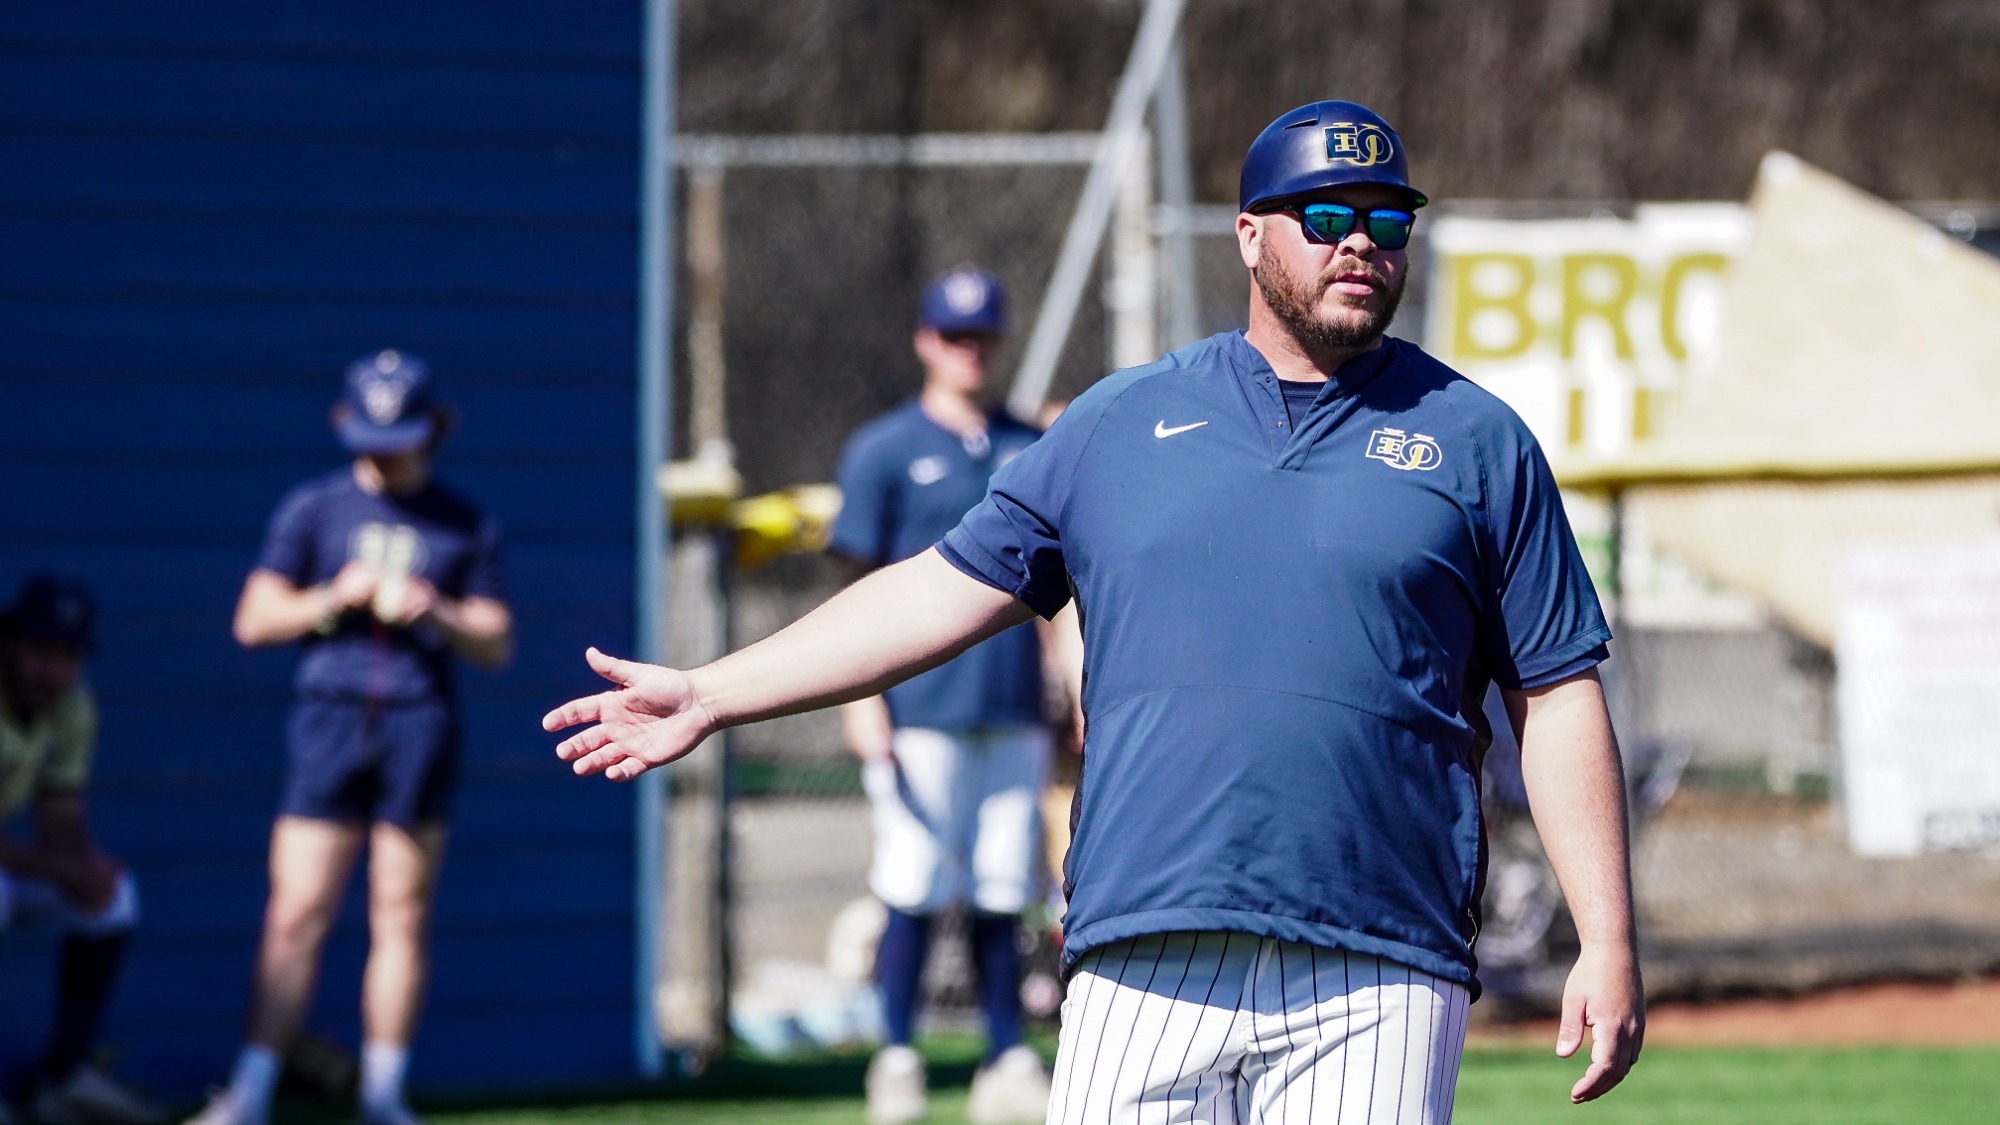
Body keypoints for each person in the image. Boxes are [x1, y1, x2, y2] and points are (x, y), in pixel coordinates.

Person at [546, 100, 1643, 1122]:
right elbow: (934, 591)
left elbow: (1554, 695)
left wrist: (1605, 936)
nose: (1359, 240)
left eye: (1384, 219)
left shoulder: (1476, 440)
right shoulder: (1120, 422)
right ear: (1250, 236)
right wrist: (709, 691)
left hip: (1379, 953)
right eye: (1324, 216)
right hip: (1143, 945)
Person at [190, 351, 511, 1125]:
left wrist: (435, 610)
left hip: (419, 725)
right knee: (296, 910)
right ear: (345, 424)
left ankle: (382, 1093)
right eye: (370, 435)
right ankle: (252, 1092)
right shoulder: (314, 509)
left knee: (400, 910)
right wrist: (334, 596)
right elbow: (254, 618)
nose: (383, 451)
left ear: (432, 429)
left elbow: (496, 642)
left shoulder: (467, 521)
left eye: (398, 436)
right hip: (329, 720)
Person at [827, 269, 1052, 1125]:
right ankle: (896, 1051)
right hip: (919, 701)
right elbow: (853, 579)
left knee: (1002, 882)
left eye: (983, 336)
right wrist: (861, 700)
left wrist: (1063, 675)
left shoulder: (1025, 440)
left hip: (1011, 699)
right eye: (956, 336)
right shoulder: (884, 448)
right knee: (914, 877)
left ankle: (1005, 1054)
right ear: (926, 340)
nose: (971, 352)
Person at [0, 576, 166, 1125]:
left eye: (66, 656)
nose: (51, 670)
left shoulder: (71, 705)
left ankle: (63, 1076)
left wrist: (84, 864)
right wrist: (56, 867)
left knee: (113, 897)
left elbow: (60, 808)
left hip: (12, 862)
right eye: (40, 652)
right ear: (11, 643)